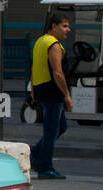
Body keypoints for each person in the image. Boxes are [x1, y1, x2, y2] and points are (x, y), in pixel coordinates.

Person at [29, 11, 73, 179]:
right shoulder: (53, 45)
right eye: (64, 26)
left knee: (60, 127)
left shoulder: (40, 42)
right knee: (51, 130)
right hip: (53, 91)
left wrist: (33, 92)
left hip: (41, 89)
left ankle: (36, 155)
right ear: (54, 27)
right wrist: (67, 95)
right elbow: (58, 72)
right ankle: (45, 167)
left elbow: (34, 70)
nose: (68, 30)